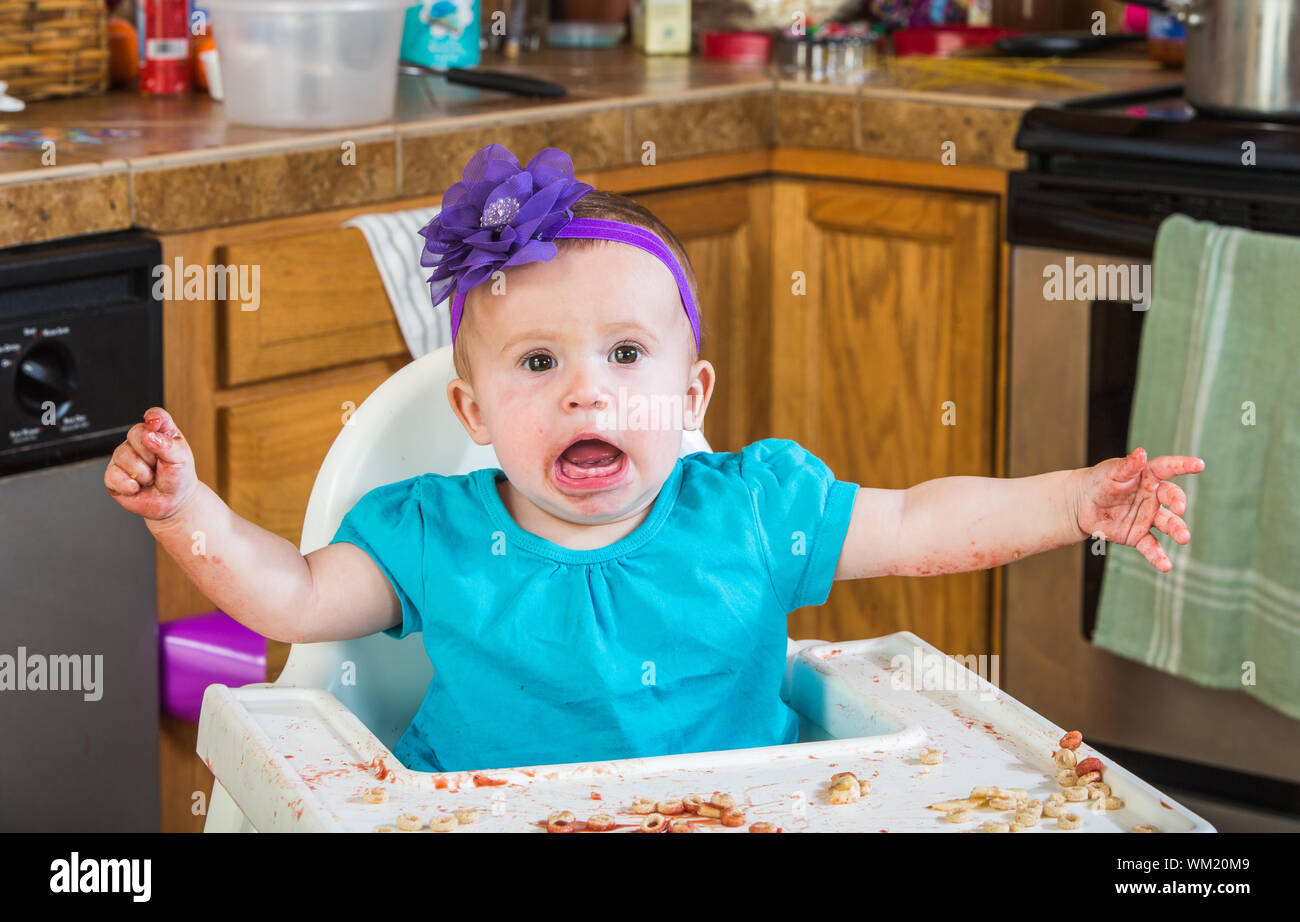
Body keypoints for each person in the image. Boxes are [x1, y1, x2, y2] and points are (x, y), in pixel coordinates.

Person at [106, 143, 1204, 773]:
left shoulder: (755, 511)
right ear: (472, 410)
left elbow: (919, 526)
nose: (586, 388)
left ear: (690, 397)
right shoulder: (433, 534)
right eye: (537, 362)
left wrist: (1074, 500)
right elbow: (290, 596)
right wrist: (185, 508)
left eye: (626, 354)